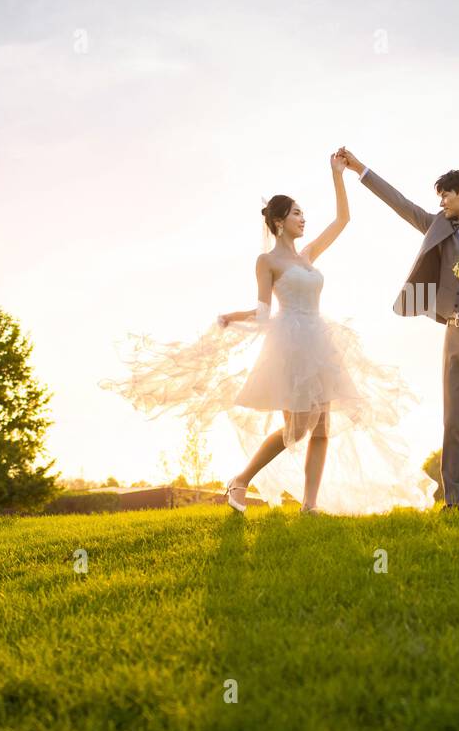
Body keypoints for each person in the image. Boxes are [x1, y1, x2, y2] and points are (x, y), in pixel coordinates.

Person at [98, 151, 437, 516]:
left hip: (319, 342)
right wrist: (234, 316)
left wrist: (338, 173)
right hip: (291, 346)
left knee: (322, 428)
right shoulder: (267, 262)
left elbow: (343, 219)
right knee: (297, 430)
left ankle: (309, 506)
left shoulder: (307, 255)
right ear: (278, 222)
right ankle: (241, 480)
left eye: (302, 212)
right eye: (296, 212)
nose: (303, 218)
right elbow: (263, 312)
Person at [334, 148, 459, 512]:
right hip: (452, 335)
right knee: (453, 422)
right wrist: (359, 169)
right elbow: (400, 203)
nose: (440, 202)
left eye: (445, 195)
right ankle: (454, 502)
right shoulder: (437, 226)